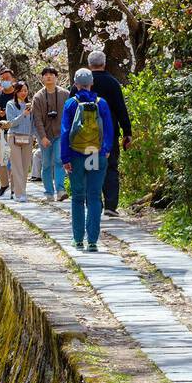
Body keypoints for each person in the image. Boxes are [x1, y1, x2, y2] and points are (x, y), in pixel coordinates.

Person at [61, 68, 114, 251]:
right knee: (94, 196)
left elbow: (65, 132)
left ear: (75, 84)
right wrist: (106, 150)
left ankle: (78, 239)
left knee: (77, 197)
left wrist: (65, 157)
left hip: (75, 154)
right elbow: (109, 129)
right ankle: (93, 241)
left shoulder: (70, 104)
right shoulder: (102, 103)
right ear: (92, 83)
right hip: (96, 153)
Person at [86, 50, 132, 217]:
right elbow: (121, 108)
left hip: (87, 134)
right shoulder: (112, 83)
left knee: (91, 166)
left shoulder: (82, 82)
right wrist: (127, 132)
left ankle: (94, 203)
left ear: (89, 64)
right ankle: (110, 206)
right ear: (104, 63)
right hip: (109, 131)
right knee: (111, 166)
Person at [31, 66, 70, 201]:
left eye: (51, 74)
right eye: (46, 74)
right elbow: (37, 119)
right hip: (45, 134)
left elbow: (70, 115)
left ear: (56, 77)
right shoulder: (38, 97)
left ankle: (60, 190)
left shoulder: (65, 94)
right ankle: (48, 191)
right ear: (42, 78)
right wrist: (42, 137)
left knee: (59, 160)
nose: (49, 77)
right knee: (47, 163)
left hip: (61, 133)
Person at [4, 81, 35, 202]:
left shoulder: (30, 105)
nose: (23, 93)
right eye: (21, 90)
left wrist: (33, 135)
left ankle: (17, 190)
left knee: (25, 166)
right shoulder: (10, 104)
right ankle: (20, 194)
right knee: (16, 166)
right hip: (14, 136)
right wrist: (24, 114)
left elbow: (33, 122)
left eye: (25, 91)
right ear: (16, 91)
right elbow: (11, 123)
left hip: (27, 137)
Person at [0, 68, 16, 197]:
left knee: (14, 160)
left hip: (15, 131)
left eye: (7, 78)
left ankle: (14, 187)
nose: (5, 81)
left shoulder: (18, 94)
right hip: (1, 131)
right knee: (1, 160)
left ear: (13, 79)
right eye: (3, 79)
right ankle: (4, 184)